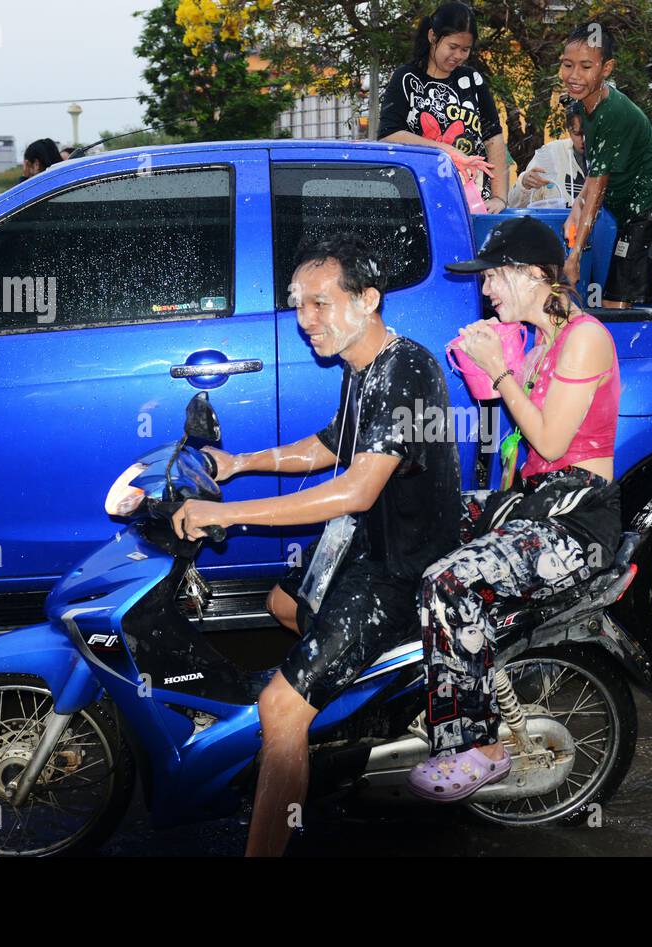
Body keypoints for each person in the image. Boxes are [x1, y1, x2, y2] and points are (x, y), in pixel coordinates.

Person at [170, 234, 461, 856]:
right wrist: (239, 463)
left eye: (319, 304)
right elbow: (333, 443)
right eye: (298, 304)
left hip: (399, 568)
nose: (305, 321)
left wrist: (233, 516)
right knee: (282, 603)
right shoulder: (363, 368)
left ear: (368, 300)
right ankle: (352, 709)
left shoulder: (405, 369)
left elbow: (355, 489)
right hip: (361, 545)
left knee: (279, 710)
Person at [405, 216, 622, 801]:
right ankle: (427, 668)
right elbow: (512, 431)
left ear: (532, 276)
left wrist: (501, 370)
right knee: (410, 513)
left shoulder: (585, 336)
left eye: (495, 277)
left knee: (448, 583)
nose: (486, 290)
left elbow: (550, 443)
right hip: (533, 501)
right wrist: (490, 360)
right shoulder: (541, 340)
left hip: (576, 517)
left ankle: (477, 743)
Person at [560, 22, 652, 307]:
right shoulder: (581, 105)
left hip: (651, 209)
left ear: (606, 68)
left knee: (619, 305)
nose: (574, 76)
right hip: (632, 215)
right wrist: (577, 207)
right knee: (616, 303)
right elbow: (595, 172)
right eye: (567, 65)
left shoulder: (612, 114)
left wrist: (574, 257)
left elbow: (599, 188)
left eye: (586, 67)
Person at [378, 2, 508, 211]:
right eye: (453, 47)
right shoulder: (406, 78)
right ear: (433, 37)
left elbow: (493, 138)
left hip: (473, 202)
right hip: (420, 200)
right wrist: (446, 150)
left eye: (465, 49)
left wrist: (499, 197)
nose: (458, 56)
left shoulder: (472, 80)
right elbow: (389, 134)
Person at [507, 102, 586, 209]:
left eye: (590, 133)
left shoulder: (610, 155)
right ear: (569, 130)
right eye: (578, 134)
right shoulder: (550, 154)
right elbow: (514, 207)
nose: (584, 139)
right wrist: (525, 185)